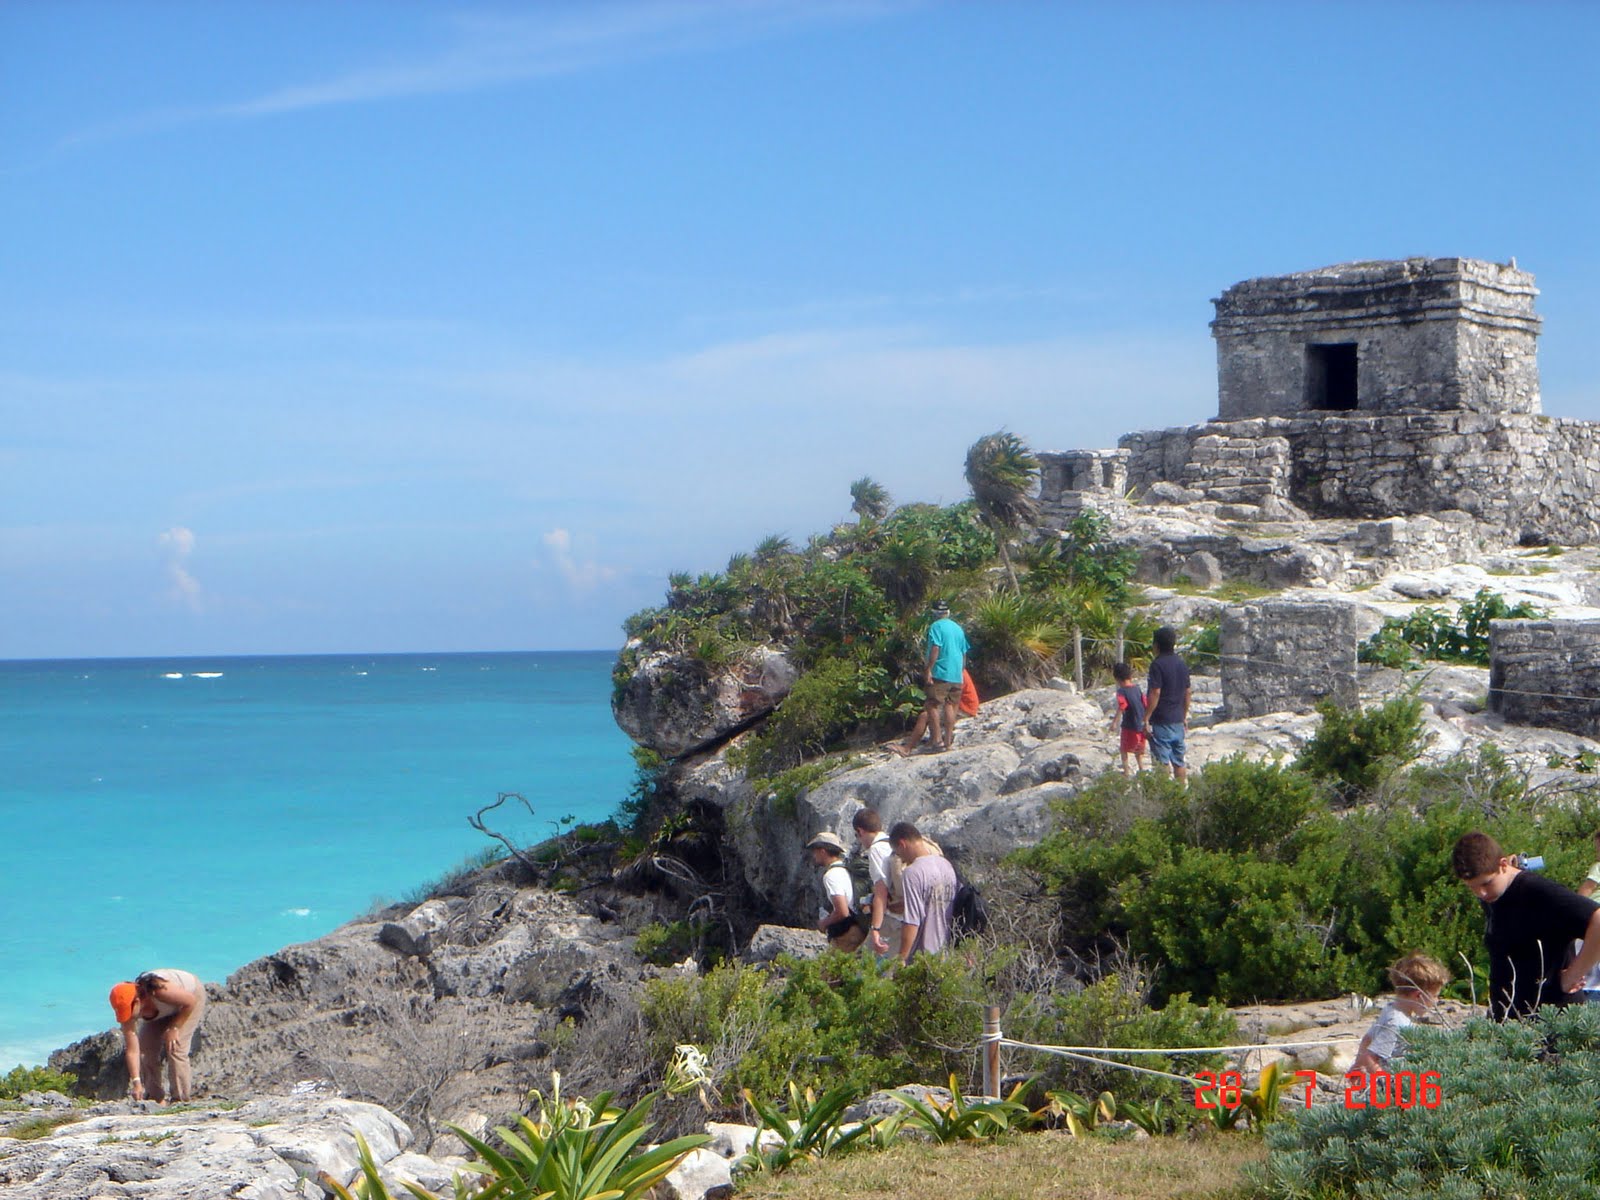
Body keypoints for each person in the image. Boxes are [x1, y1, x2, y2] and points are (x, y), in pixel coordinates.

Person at [1452, 831, 1600, 1021]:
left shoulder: (1538, 891)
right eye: (1471, 887)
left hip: (1551, 1019)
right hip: (1509, 1020)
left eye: (1486, 884)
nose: (1480, 893)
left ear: (1503, 865)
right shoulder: (1493, 896)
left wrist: (1573, 974)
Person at [109, 969, 206, 1103]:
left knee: (175, 1046)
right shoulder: (129, 1014)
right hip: (164, 1010)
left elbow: (190, 1002)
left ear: (137, 1001)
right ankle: (155, 1098)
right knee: (145, 1049)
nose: (129, 1016)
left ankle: (181, 1099)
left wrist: (174, 1027)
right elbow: (133, 1050)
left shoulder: (159, 991)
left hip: (189, 999)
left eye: (129, 1011)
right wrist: (136, 1083)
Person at [1351, 952, 1450, 1072]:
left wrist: (1357, 1066)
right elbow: (1371, 1057)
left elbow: (1367, 1040)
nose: (1436, 1001)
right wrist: (1388, 1085)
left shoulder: (1390, 1009)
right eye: (1435, 996)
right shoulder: (1397, 1023)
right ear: (1418, 995)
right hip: (1391, 1084)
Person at [893, 601, 968, 757]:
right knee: (950, 705)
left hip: (941, 671)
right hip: (956, 673)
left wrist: (928, 670)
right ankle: (947, 742)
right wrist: (960, 671)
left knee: (931, 705)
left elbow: (935, 648)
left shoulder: (936, 627)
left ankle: (937, 741)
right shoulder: (958, 628)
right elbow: (964, 652)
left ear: (934, 613)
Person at [888, 821, 957, 963]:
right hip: (946, 951)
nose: (900, 858)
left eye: (897, 852)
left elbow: (912, 921)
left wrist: (901, 958)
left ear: (902, 844)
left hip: (923, 955)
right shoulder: (946, 865)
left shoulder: (912, 872)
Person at [889, 667, 979, 757]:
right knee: (932, 711)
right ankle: (934, 740)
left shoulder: (954, 672)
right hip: (966, 705)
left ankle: (907, 748)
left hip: (965, 708)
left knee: (925, 716)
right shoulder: (957, 668)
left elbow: (950, 697)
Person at [1144, 626, 1191, 783]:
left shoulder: (1157, 665)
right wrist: (1184, 715)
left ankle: (1165, 795)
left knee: (1162, 761)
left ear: (1156, 645)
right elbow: (1187, 692)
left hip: (1161, 719)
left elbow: (1155, 692)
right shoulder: (1182, 664)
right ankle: (1180, 791)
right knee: (1179, 760)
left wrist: (1147, 717)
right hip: (1177, 718)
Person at [807, 831, 865, 951]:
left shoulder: (832, 875)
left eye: (815, 851)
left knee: (831, 968)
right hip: (858, 927)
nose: (813, 855)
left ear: (822, 851)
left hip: (847, 933)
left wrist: (824, 923)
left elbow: (842, 911)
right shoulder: (845, 869)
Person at [852, 808, 899, 956]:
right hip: (912, 915)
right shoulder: (892, 844)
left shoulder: (877, 850)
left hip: (893, 917)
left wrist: (875, 929)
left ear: (860, 831)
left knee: (869, 967)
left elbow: (881, 892)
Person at [1109, 661, 1147, 776]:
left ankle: (1126, 772)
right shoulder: (1137, 689)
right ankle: (1141, 769)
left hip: (1129, 725)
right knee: (1139, 750)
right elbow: (1145, 702)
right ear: (1130, 675)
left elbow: (1122, 705)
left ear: (1117, 678)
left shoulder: (1121, 691)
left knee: (1124, 749)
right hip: (1141, 724)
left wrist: (1114, 722)